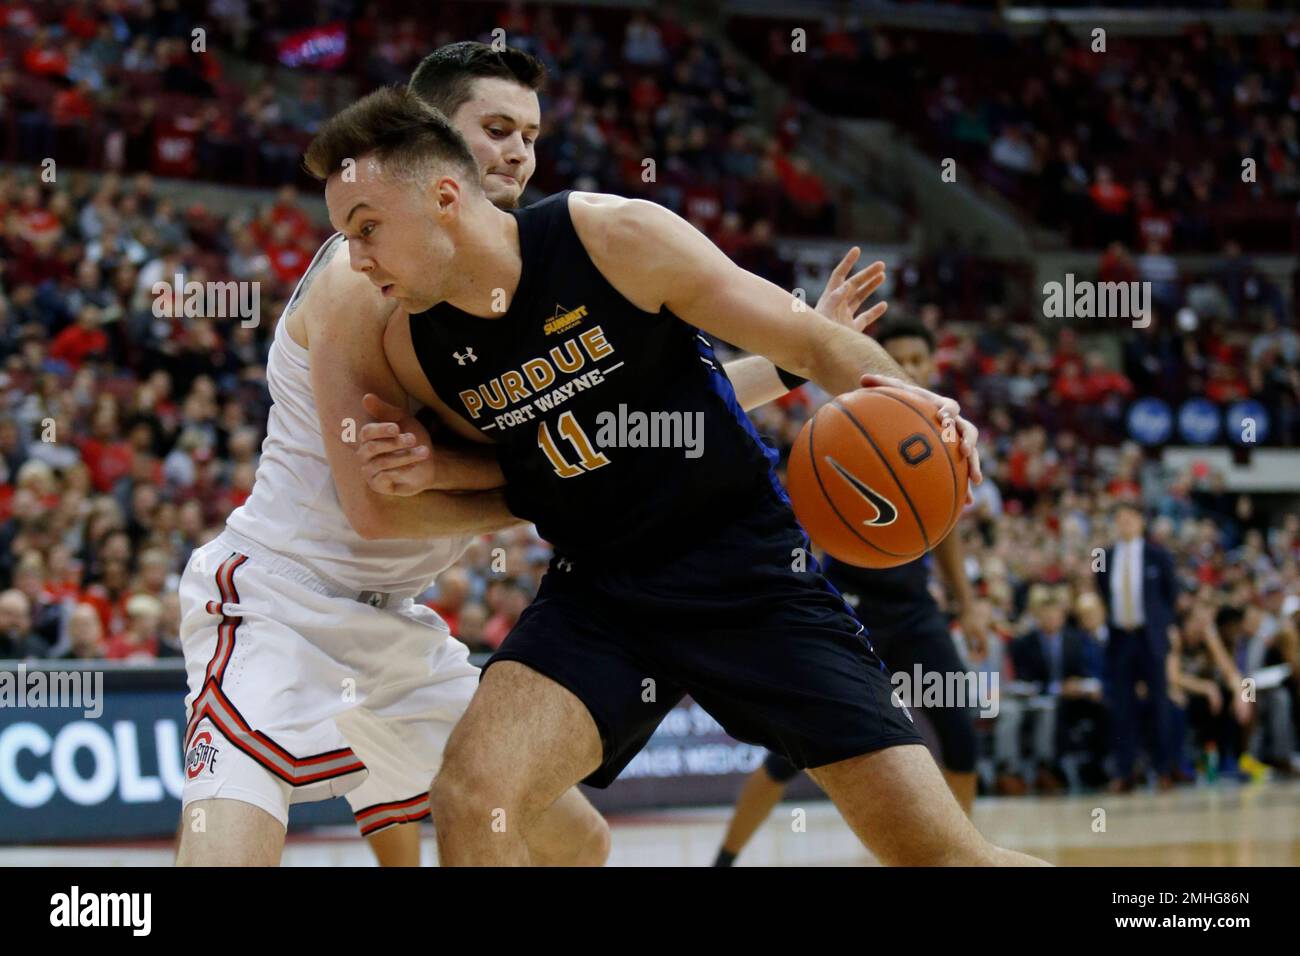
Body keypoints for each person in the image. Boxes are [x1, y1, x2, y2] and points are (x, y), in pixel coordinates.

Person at [318, 87, 1044, 866]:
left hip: (746, 572)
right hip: (600, 593)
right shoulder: (416, 352)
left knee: (941, 856)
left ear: (444, 196)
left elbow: (814, 342)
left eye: (367, 230)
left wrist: (917, 399)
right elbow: (522, 472)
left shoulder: (612, 237)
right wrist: (435, 466)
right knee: (473, 793)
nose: (355, 259)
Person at [712, 319, 986, 866]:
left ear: (934, 366)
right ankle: (725, 860)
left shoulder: (945, 435)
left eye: (920, 359)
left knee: (961, 741)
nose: (911, 367)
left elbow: (947, 532)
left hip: (914, 611)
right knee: (788, 758)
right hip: (847, 608)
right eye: (899, 356)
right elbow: (804, 519)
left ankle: (954, 858)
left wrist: (968, 604)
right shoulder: (855, 421)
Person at [1095, 500, 1179, 791]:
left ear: (1141, 521)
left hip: (1149, 638)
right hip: (1120, 637)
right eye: (1120, 518)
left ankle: (1163, 769)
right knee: (1122, 707)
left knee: (1159, 703)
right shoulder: (1104, 556)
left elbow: (1171, 597)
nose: (1125, 523)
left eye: (1130, 517)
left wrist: (1162, 627)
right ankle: (1124, 771)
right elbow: (1102, 592)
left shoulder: (1159, 555)